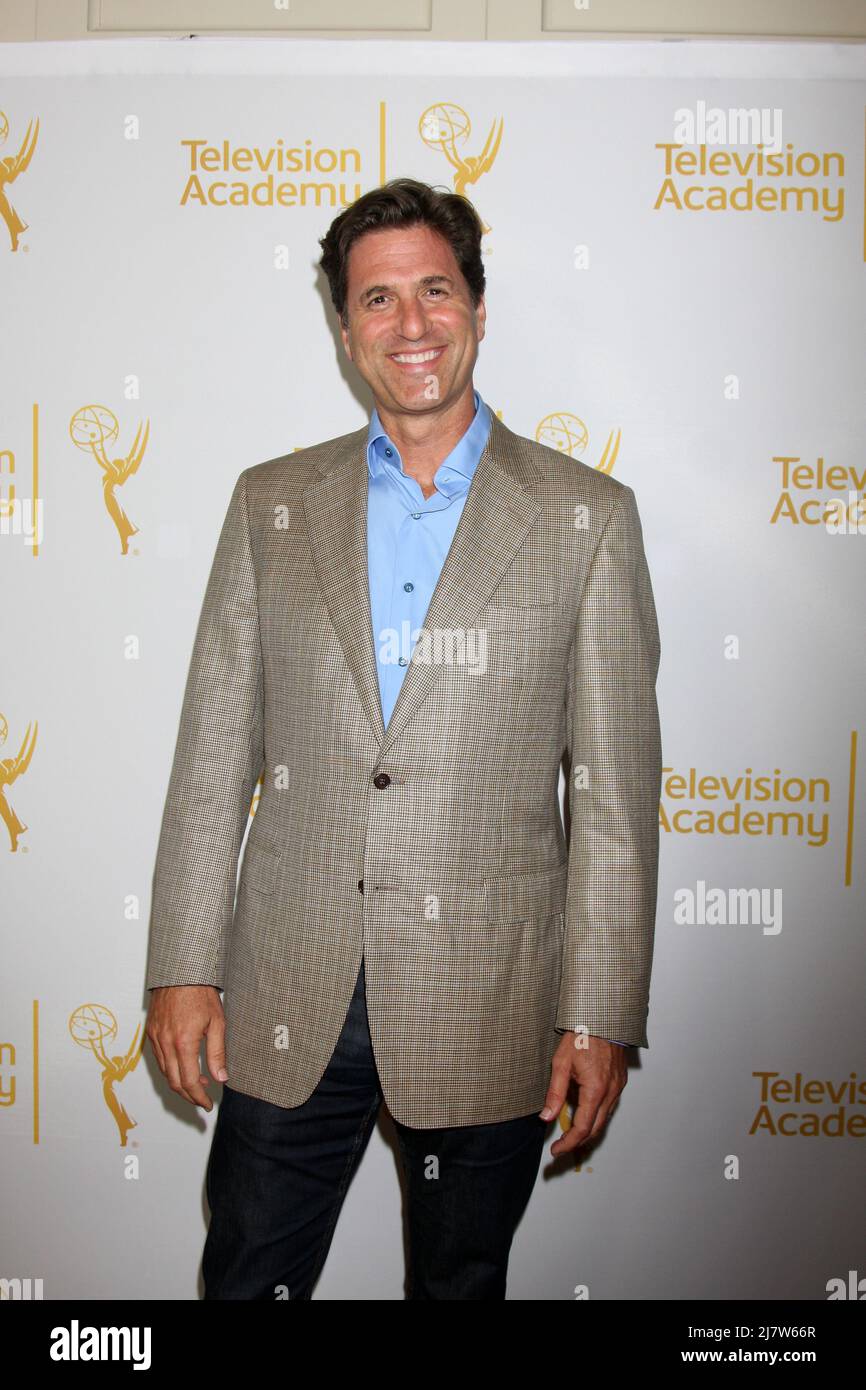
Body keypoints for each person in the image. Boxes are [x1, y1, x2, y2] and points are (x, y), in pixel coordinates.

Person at [145, 177, 662, 1301]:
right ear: (344, 330)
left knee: (458, 1287)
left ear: (478, 306)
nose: (410, 324)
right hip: (290, 987)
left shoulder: (586, 519)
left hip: (491, 999)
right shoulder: (269, 506)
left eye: (435, 289)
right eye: (376, 300)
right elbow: (210, 755)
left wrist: (599, 1010)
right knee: (245, 1280)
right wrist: (183, 963)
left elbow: (615, 799)